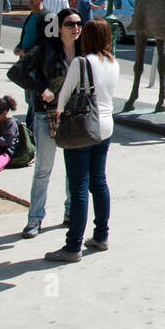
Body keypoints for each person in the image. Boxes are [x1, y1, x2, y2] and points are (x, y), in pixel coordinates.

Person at [45, 18, 119, 264]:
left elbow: (63, 97)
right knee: (98, 182)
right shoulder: (113, 62)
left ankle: (73, 245)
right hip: (106, 127)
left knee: (78, 186)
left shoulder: (81, 62)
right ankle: (101, 235)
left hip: (84, 127)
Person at [22, 7, 81, 238]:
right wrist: (41, 90)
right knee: (43, 170)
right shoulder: (45, 49)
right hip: (46, 115)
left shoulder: (83, 52)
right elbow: (17, 72)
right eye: (69, 24)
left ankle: (69, 212)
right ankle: (35, 219)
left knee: (73, 170)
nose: (75, 28)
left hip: (73, 116)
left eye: (78, 24)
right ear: (58, 28)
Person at [16, 0, 51, 125]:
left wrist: (27, 51)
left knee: (34, 100)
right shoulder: (32, 15)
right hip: (26, 63)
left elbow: (48, 42)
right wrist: (19, 46)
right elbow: (26, 35)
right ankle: (30, 130)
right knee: (29, 100)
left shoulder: (48, 17)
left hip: (37, 65)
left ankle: (31, 131)